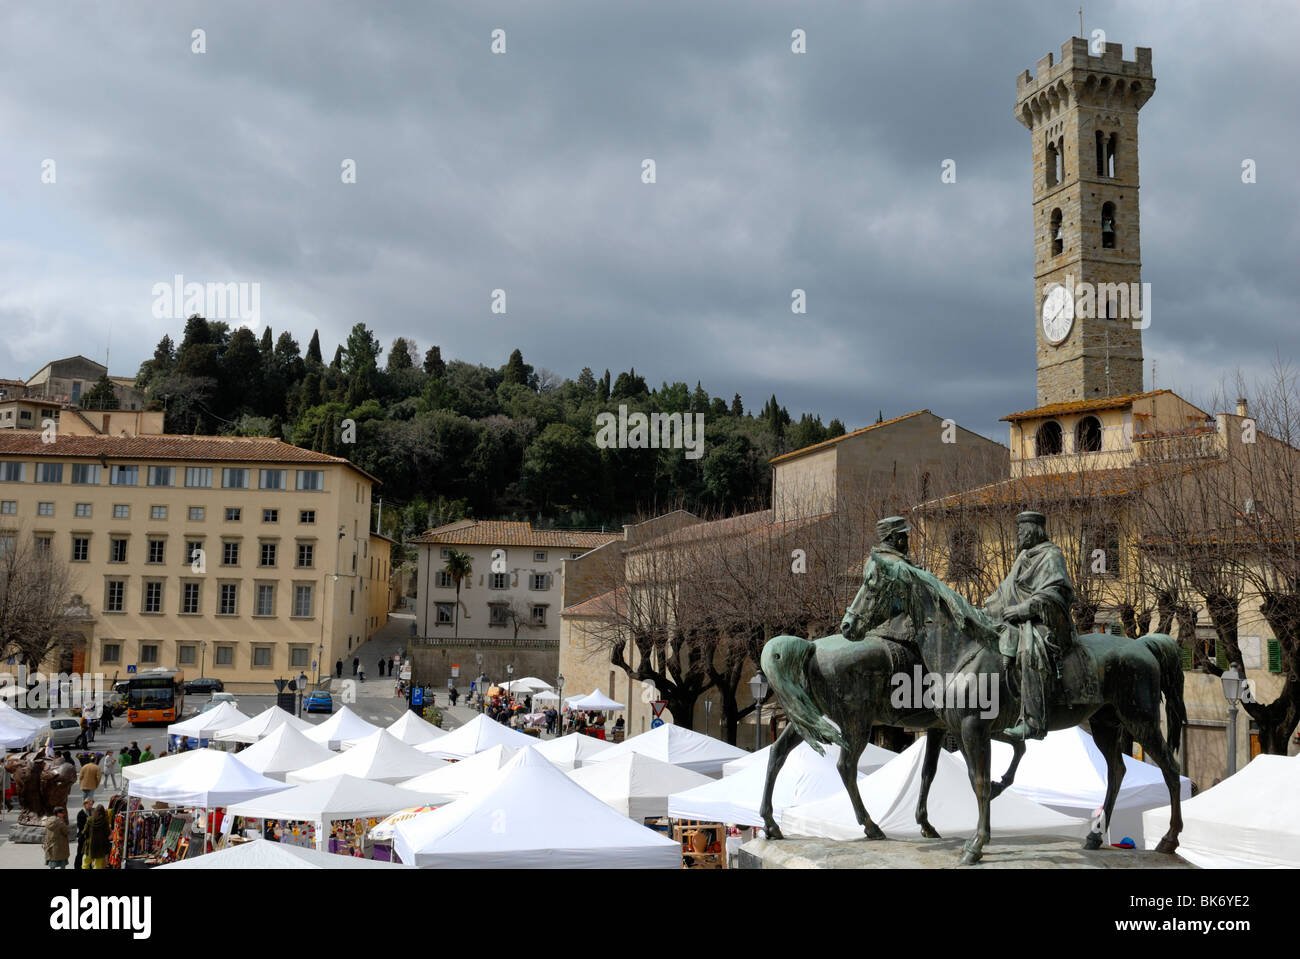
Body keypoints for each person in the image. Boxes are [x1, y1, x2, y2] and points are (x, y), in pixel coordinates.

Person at [982, 511, 1077, 742]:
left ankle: (1034, 721)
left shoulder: (1051, 555)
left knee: (1029, 651)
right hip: (1017, 622)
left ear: (1033, 531)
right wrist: (982, 613)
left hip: (1046, 622)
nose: (1018, 536)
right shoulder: (1023, 557)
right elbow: (1004, 592)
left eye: (1022, 531)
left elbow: (1056, 593)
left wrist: (1023, 610)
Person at [88, 805, 110, 869]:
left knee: (94, 861)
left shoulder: (91, 820)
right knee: (101, 863)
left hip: (93, 844)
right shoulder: (104, 821)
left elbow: (86, 832)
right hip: (102, 844)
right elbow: (107, 833)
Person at [74, 797, 93, 869]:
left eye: (91, 804)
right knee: (80, 853)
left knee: (89, 854)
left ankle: (89, 866)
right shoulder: (81, 813)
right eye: (89, 804)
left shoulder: (92, 812)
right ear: (85, 804)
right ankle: (77, 867)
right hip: (83, 837)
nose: (90, 806)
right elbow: (80, 826)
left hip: (90, 837)